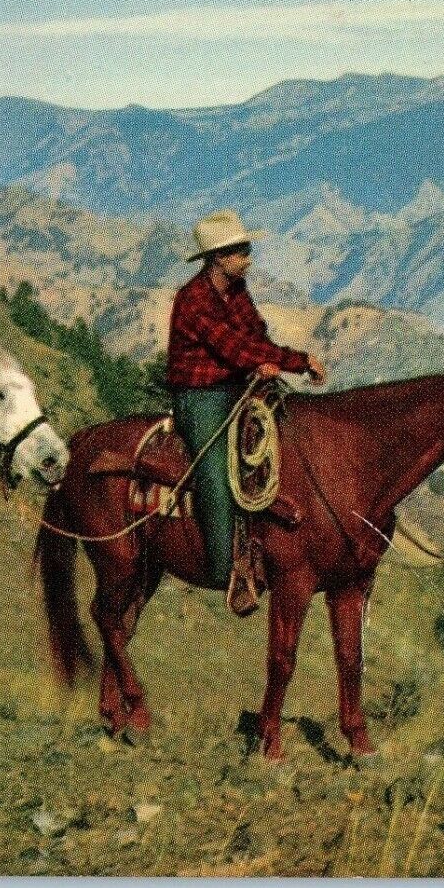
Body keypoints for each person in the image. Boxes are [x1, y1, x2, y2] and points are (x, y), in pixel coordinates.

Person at [166, 210, 326, 616]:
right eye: (240, 251)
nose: (248, 257)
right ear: (217, 257)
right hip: (199, 396)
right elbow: (234, 349)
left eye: (246, 249)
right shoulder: (194, 299)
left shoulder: (236, 291)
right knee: (217, 472)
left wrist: (268, 362)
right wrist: (298, 361)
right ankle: (224, 570)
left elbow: (253, 335)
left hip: (235, 385)